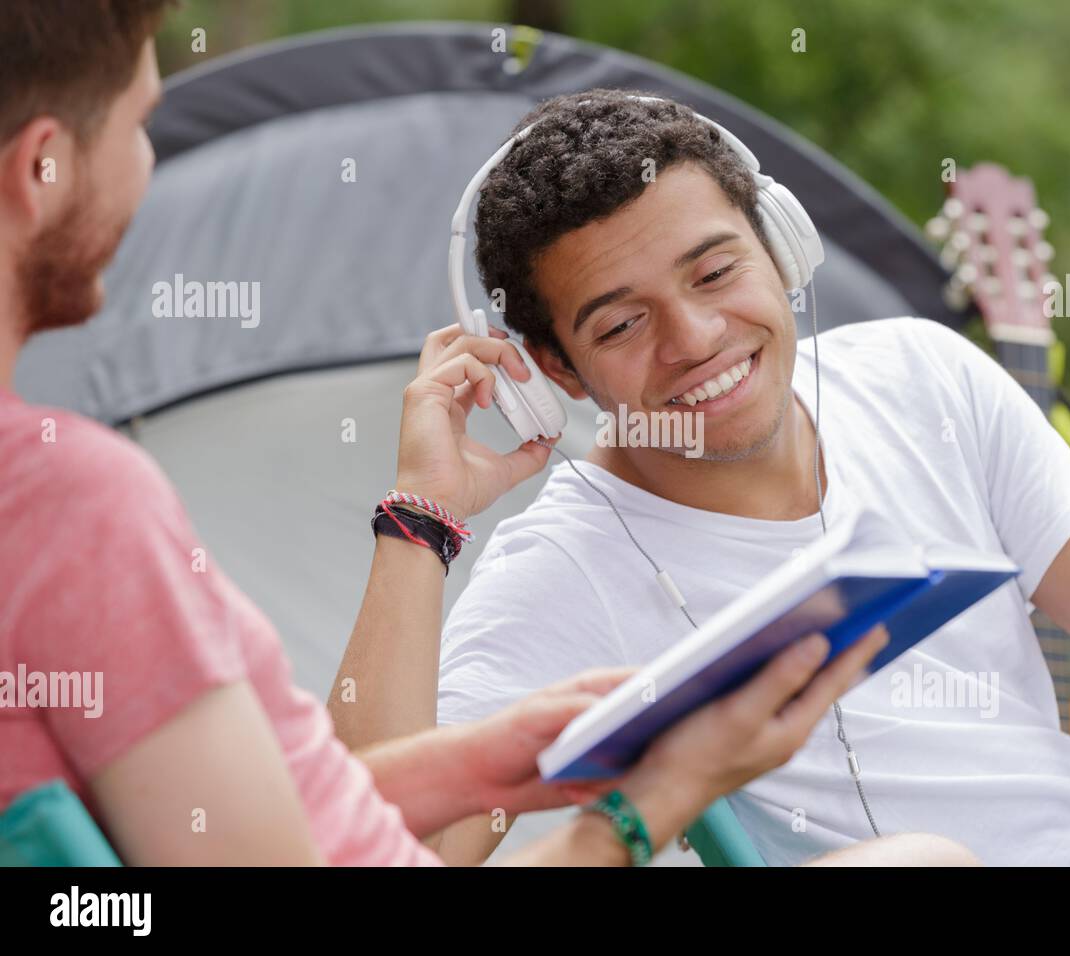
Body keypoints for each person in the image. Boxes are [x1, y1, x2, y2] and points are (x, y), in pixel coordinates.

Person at [0, 1, 978, 868]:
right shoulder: (67, 500)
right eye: (139, 125)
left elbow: (308, 816)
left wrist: (500, 749)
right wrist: (652, 799)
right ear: (40, 167)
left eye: (714, 272)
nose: (149, 164)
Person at [331, 89, 1070, 867]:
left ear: (780, 245)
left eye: (714, 273)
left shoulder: (930, 378)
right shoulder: (559, 569)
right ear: (555, 371)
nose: (697, 339)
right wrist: (421, 519)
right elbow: (381, 846)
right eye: (622, 324)